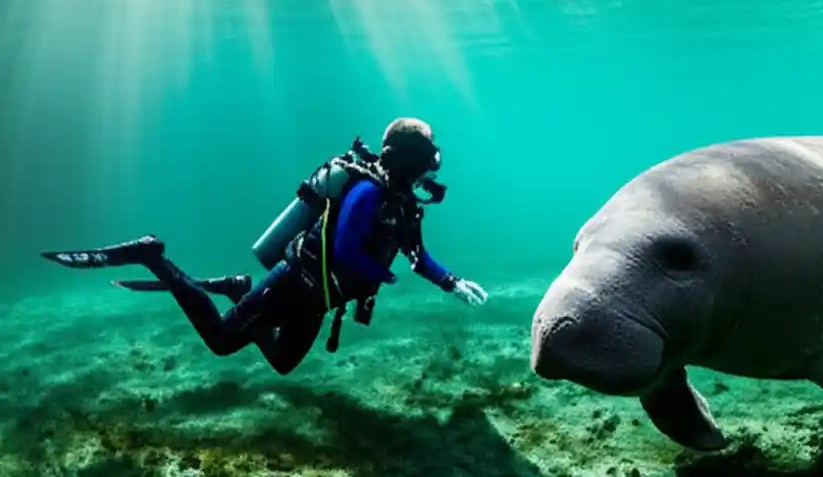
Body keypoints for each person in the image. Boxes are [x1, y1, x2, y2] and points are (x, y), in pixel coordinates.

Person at [41, 117, 488, 375]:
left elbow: (417, 256)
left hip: (319, 300)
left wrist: (452, 282)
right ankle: (151, 254)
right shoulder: (369, 194)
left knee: (282, 364)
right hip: (296, 283)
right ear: (411, 162)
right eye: (429, 159)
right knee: (220, 341)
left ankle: (238, 288)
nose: (434, 169)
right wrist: (380, 276)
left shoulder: (404, 206)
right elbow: (349, 249)